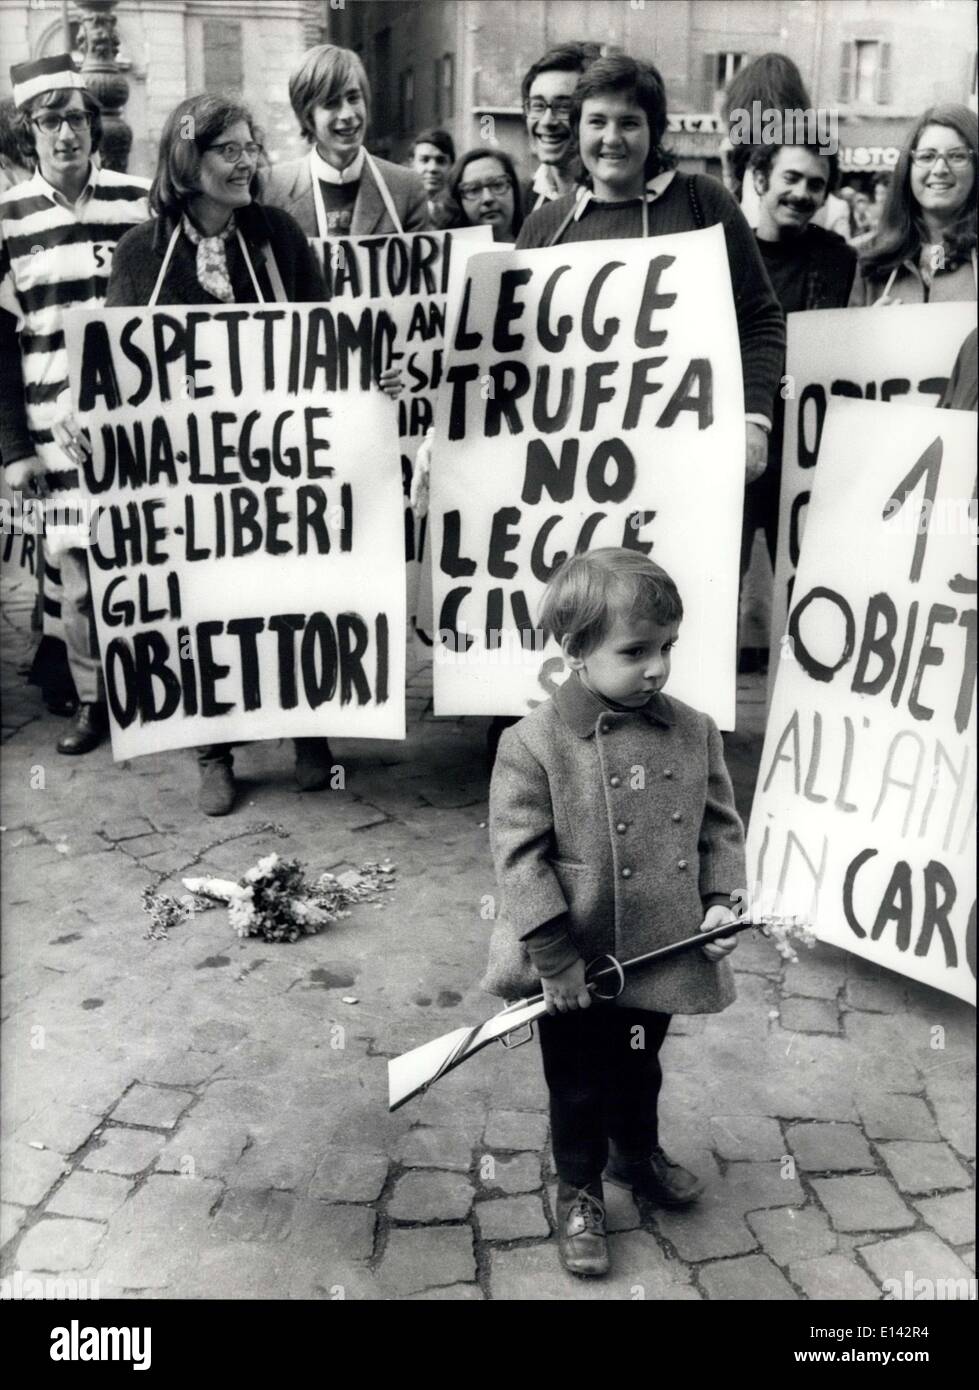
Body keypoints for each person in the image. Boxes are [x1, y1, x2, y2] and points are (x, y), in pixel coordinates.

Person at [98, 94, 402, 816]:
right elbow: (115, 369)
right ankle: (214, 748)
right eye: (227, 149)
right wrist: (98, 422)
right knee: (206, 603)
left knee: (292, 589)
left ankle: (306, 728)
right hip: (192, 471)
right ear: (187, 159)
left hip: (281, 461)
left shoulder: (275, 235)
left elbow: (323, 336)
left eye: (250, 148)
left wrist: (368, 380)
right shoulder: (141, 253)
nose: (246, 162)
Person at [484, 547, 744, 1277]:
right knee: (576, 1081)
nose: (656, 667)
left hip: (660, 946)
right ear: (575, 653)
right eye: (635, 652)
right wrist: (554, 960)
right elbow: (519, 858)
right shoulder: (533, 743)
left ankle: (636, 1155)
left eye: (667, 648)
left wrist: (721, 902)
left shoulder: (692, 731)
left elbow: (718, 826)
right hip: (574, 959)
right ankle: (579, 1190)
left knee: (639, 1065)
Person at [517, 54, 785, 486]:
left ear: (655, 130)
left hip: (685, 460)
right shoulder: (545, 227)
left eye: (629, 123)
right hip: (574, 467)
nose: (611, 138)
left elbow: (759, 318)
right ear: (578, 128)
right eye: (597, 122)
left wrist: (754, 419)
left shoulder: (703, 202)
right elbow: (510, 353)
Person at [0, 55, 150, 756]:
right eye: (50, 120)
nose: (66, 135)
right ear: (29, 131)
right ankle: (96, 704)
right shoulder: (5, 220)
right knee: (81, 574)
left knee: (149, 558)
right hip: (53, 431)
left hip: (140, 420)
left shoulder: (139, 201)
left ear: (96, 126)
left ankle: (158, 693)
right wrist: (14, 449)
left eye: (78, 118)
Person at [741, 141, 856, 635]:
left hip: (809, 454)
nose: (802, 192)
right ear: (761, 179)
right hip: (740, 447)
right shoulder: (728, 251)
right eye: (791, 177)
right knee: (720, 582)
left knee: (812, 590)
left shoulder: (839, 259)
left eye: (816, 184)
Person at [260, 44, 428, 238]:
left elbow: (419, 266)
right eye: (331, 103)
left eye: (354, 98)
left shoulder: (406, 188)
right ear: (307, 117)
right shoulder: (270, 187)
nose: (347, 114)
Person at [849, 104, 977, 307]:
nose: (940, 169)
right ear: (907, 168)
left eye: (957, 156)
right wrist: (868, 328)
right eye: (927, 156)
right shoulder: (868, 255)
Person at [519, 41, 603, 213]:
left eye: (564, 107)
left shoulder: (614, 201)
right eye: (537, 106)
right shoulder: (525, 200)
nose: (547, 122)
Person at [436, 147, 524, 242]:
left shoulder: (537, 244)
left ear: (514, 190)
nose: (488, 198)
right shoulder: (448, 254)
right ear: (458, 201)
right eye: (473, 190)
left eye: (498, 185)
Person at [409, 127, 454, 220]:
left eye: (441, 161)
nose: (433, 168)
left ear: (451, 165)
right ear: (412, 164)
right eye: (424, 160)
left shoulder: (461, 211)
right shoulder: (401, 211)